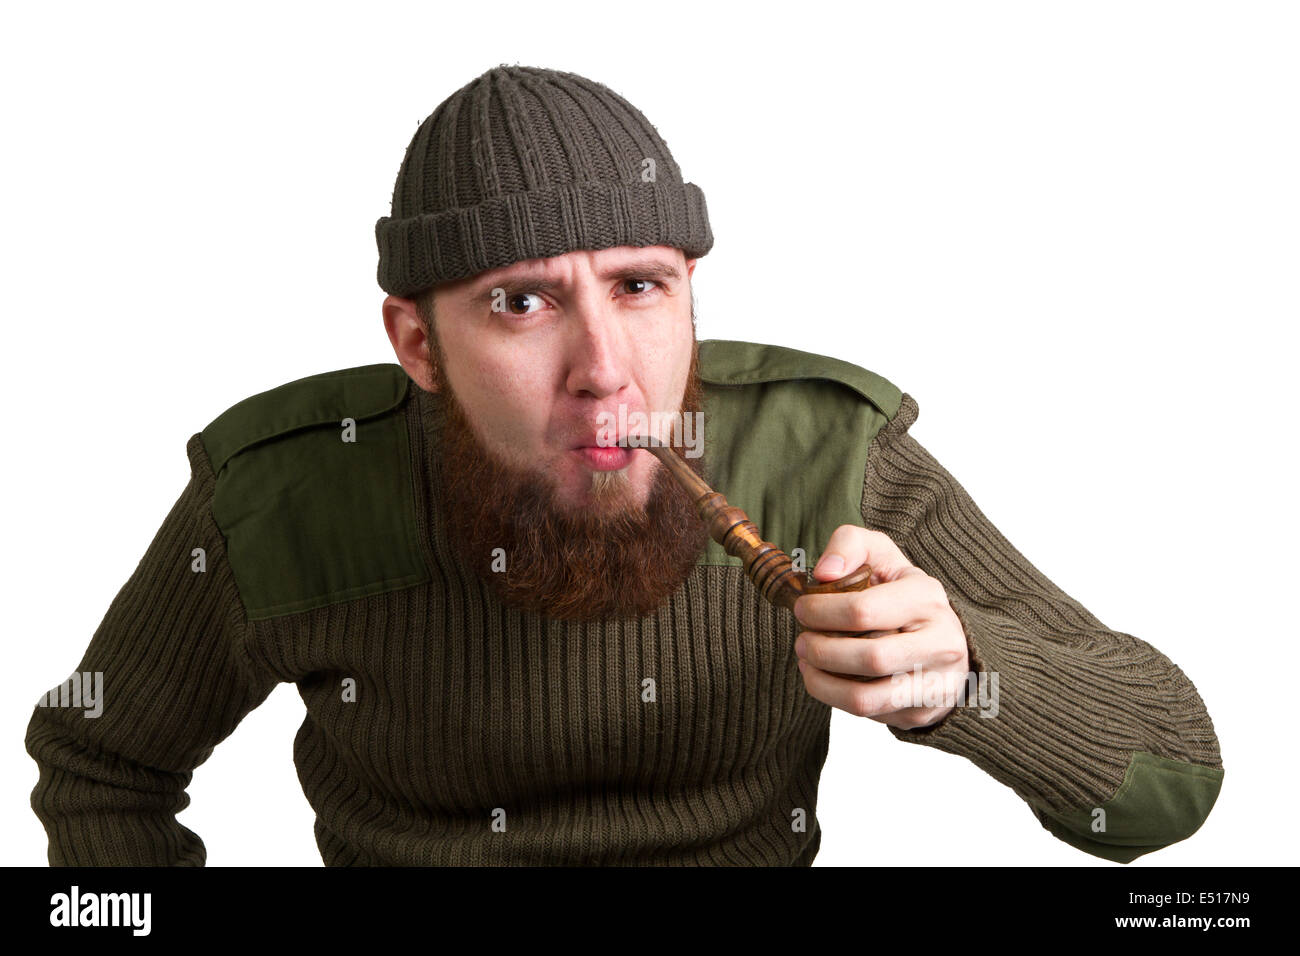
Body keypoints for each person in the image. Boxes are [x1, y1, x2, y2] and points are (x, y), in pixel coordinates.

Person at [25, 64, 1223, 866]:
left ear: (690, 290)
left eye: (641, 286)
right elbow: (98, 762)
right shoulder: (280, 498)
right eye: (520, 301)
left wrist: (968, 681)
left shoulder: (827, 454)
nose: (607, 369)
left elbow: (1171, 780)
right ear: (416, 343)